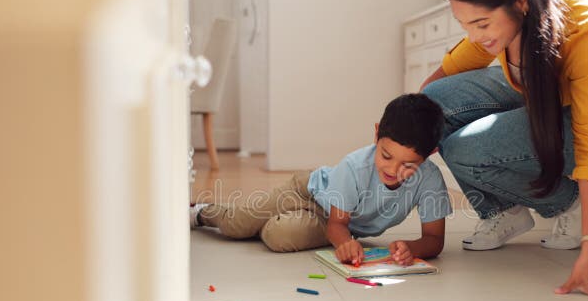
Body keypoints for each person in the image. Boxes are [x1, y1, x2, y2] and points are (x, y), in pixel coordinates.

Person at [419, 0, 588, 300]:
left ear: (521, 2)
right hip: (547, 92)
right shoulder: (509, 10)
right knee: (431, 104)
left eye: (481, 24)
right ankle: (503, 210)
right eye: (464, 25)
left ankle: (570, 202)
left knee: (463, 149)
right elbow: (460, 60)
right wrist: (406, 122)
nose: (473, 36)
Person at [191, 94, 452, 266]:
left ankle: (263, 223)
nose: (393, 169)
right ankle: (202, 212)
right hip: (308, 192)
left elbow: (434, 239)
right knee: (238, 224)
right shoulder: (355, 167)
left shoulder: (430, 180)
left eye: (408, 165)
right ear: (376, 135)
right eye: (386, 155)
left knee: (277, 236)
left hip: (333, 220)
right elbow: (338, 225)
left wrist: (412, 248)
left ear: (429, 154)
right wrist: (345, 242)